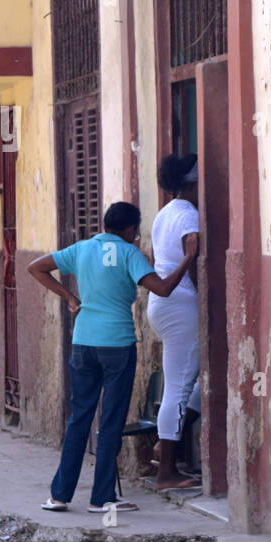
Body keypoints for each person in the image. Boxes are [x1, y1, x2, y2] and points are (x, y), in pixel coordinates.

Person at [29, 201, 196, 512]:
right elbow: (161, 289)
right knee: (111, 421)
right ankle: (102, 498)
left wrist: (70, 297)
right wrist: (187, 259)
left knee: (79, 418)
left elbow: (35, 267)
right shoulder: (129, 253)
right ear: (131, 230)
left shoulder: (81, 249)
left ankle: (59, 496)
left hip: (83, 343)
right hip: (116, 345)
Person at [147, 153, 202, 493]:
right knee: (179, 389)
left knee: (190, 383)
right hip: (181, 306)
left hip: (163, 307)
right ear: (192, 183)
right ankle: (166, 471)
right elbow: (193, 264)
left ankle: (164, 445)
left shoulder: (164, 213)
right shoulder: (189, 215)